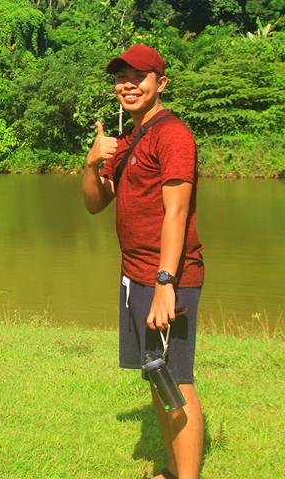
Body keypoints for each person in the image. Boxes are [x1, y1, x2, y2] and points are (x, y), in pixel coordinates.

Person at [82, 44, 205, 479]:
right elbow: (96, 204)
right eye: (121, 77)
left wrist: (165, 282)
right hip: (135, 274)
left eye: (139, 76)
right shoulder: (130, 139)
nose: (128, 85)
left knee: (176, 380)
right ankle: (172, 471)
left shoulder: (173, 135)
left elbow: (176, 211)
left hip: (166, 277)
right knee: (157, 374)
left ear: (160, 83)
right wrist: (92, 161)